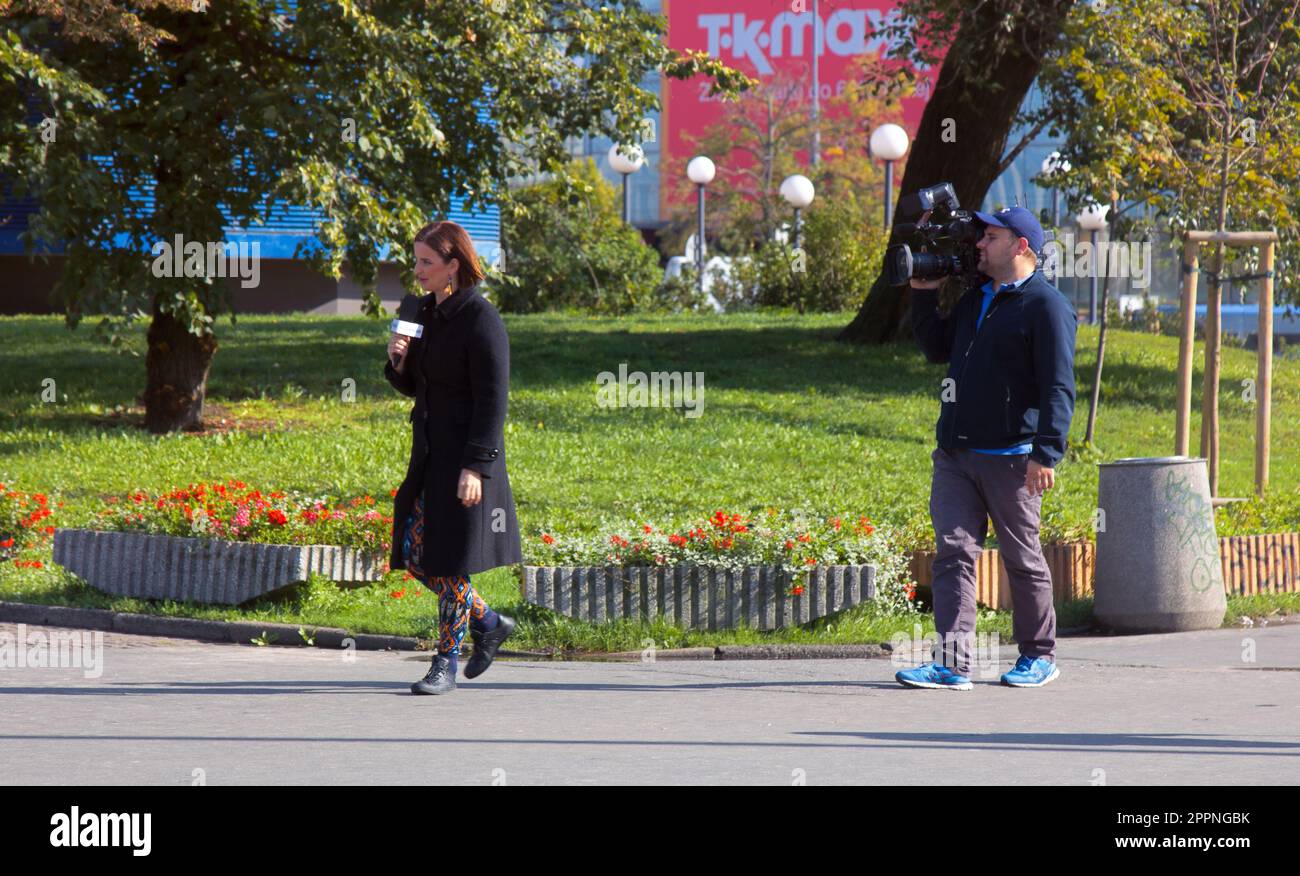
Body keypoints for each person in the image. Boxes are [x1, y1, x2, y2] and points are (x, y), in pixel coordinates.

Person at [897, 206, 1077, 691]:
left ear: (1021, 245)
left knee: (1021, 556)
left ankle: (1039, 655)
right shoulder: (979, 298)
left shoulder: (1046, 306)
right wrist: (922, 295)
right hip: (955, 453)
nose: (978, 244)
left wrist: (1047, 452)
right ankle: (953, 665)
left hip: (1014, 458)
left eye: (990, 237)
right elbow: (937, 348)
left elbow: (1059, 387)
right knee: (953, 553)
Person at [385, 220, 522, 695]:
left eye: (427, 262)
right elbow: (413, 384)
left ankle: (444, 663)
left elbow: (493, 400)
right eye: (416, 259)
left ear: (453, 266)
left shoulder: (481, 319)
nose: (417, 270)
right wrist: (398, 358)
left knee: (447, 561)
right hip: (428, 455)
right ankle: (488, 622)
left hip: (465, 460)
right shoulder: (420, 311)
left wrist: (477, 466)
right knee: (416, 554)